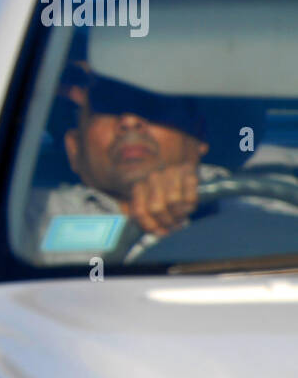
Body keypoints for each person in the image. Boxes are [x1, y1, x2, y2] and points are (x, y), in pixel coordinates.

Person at [30, 68, 298, 262]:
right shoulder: (28, 221)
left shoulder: (272, 190)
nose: (131, 120)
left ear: (199, 136)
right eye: (108, 106)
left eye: (152, 103)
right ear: (74, 149)